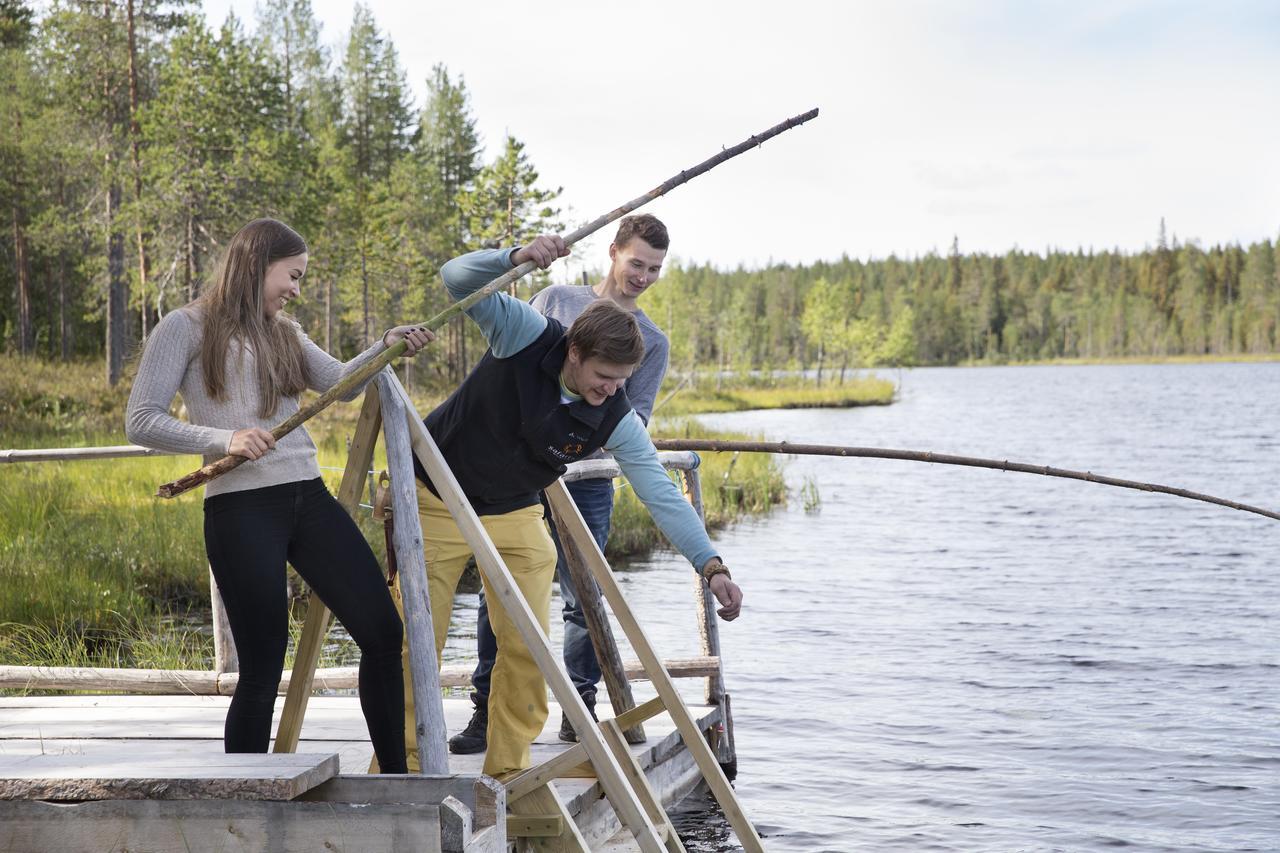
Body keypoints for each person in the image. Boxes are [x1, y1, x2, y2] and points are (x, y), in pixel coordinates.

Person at [391, 233, 742, 779]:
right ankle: (403, 765)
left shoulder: (616, 414)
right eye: (603, 377)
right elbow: (457, 276)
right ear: (575, 354)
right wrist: (515, 258)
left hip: (514, 510)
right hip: (436, 496)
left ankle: (508, 771)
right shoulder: (525, 335)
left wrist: (711, 565)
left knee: (528, 642)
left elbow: (658, 491)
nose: (610, 390)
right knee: (417, 638)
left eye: (620, 381)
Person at [125, 218, 432, 773]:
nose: (295, 289)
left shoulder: (284, 332)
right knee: (264, 666)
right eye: (291, 276)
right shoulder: (185, 327)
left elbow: (343, 382)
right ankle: (246, 795)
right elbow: (140, 420)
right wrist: (225, 438)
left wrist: (385, 346)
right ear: (257, 263)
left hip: (307, 496)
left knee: (384, 632)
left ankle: (395, 779)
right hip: (240, 509)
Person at [453, 214, 673, 755]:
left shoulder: (652, 341)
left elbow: (632, 418)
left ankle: (579, 708)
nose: (643, 276)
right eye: (637, 263)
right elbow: (516, 368)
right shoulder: (555, 300)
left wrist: (583, 431)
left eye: (655, 269)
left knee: (583, 597)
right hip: (521, 479)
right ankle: (486, 710)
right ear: (613, 253)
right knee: (496, 590)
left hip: (589, 479)